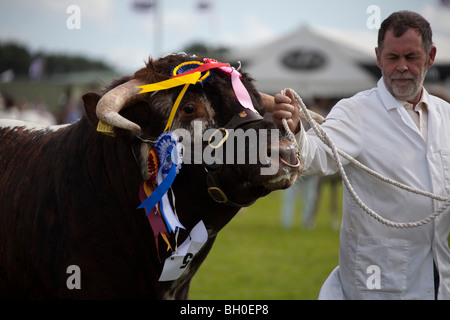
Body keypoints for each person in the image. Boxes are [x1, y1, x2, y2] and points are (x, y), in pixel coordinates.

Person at [272, 10, 450, 299]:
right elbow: (317, 155)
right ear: (379, 58)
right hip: (377, 280)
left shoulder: (447, 117)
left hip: (439, 277)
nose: (402, 67)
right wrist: (295, 129)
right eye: (393, 58)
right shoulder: (355, 112)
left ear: (430, 57)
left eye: (412, 57)